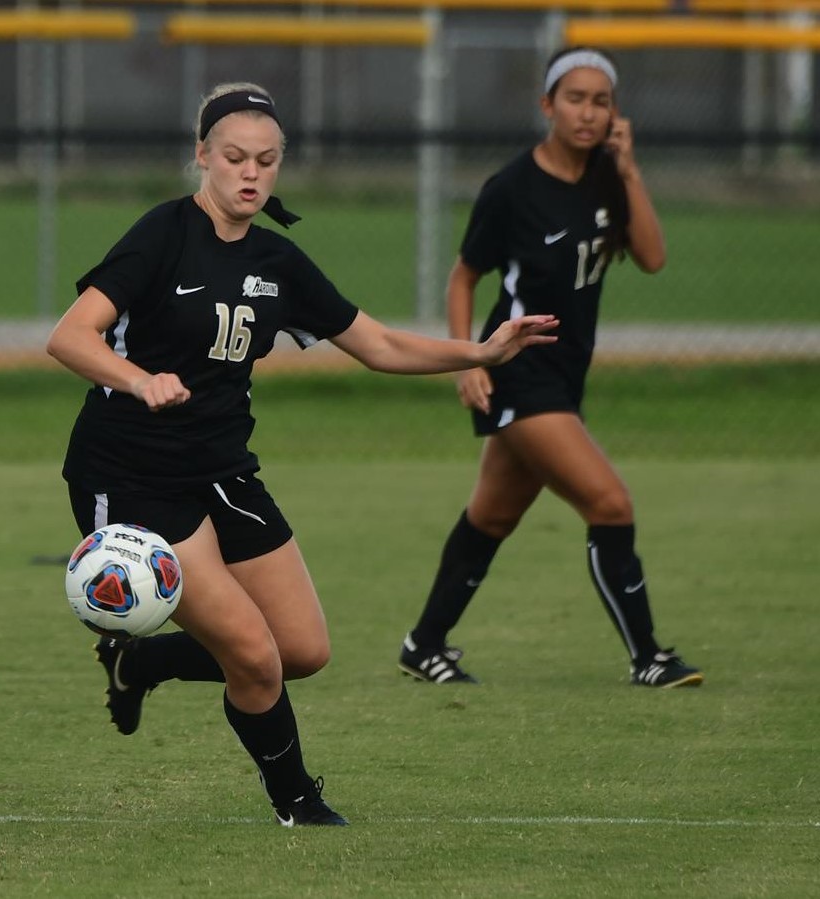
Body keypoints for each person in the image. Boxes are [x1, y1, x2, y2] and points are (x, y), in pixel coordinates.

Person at [46, 82, 558, 826]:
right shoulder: (162, 234)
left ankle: (145, 660)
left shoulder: (277, 262)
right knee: (253, 653)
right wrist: (138, 378)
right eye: (233, 157)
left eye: (266, 159)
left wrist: (481, 349)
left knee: (302, 649)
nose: (250, 173)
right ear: (202, 157)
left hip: (221, 468)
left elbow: (376, 344)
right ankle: (298, 802)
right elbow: (69, 336)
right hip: (131, 473)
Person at [395, 47, 703, 689]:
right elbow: (463, 277)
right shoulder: (511, 188)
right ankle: (649, 656)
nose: (588, 112)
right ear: (547, 106)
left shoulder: (608, 176)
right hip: (517, 370)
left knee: (493, 516)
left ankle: (423, 645)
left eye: (601, 101)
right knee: (610, 503)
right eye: (574, 98)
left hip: (564, 378)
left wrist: (629, 168)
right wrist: (465, 361)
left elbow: (652, 257)